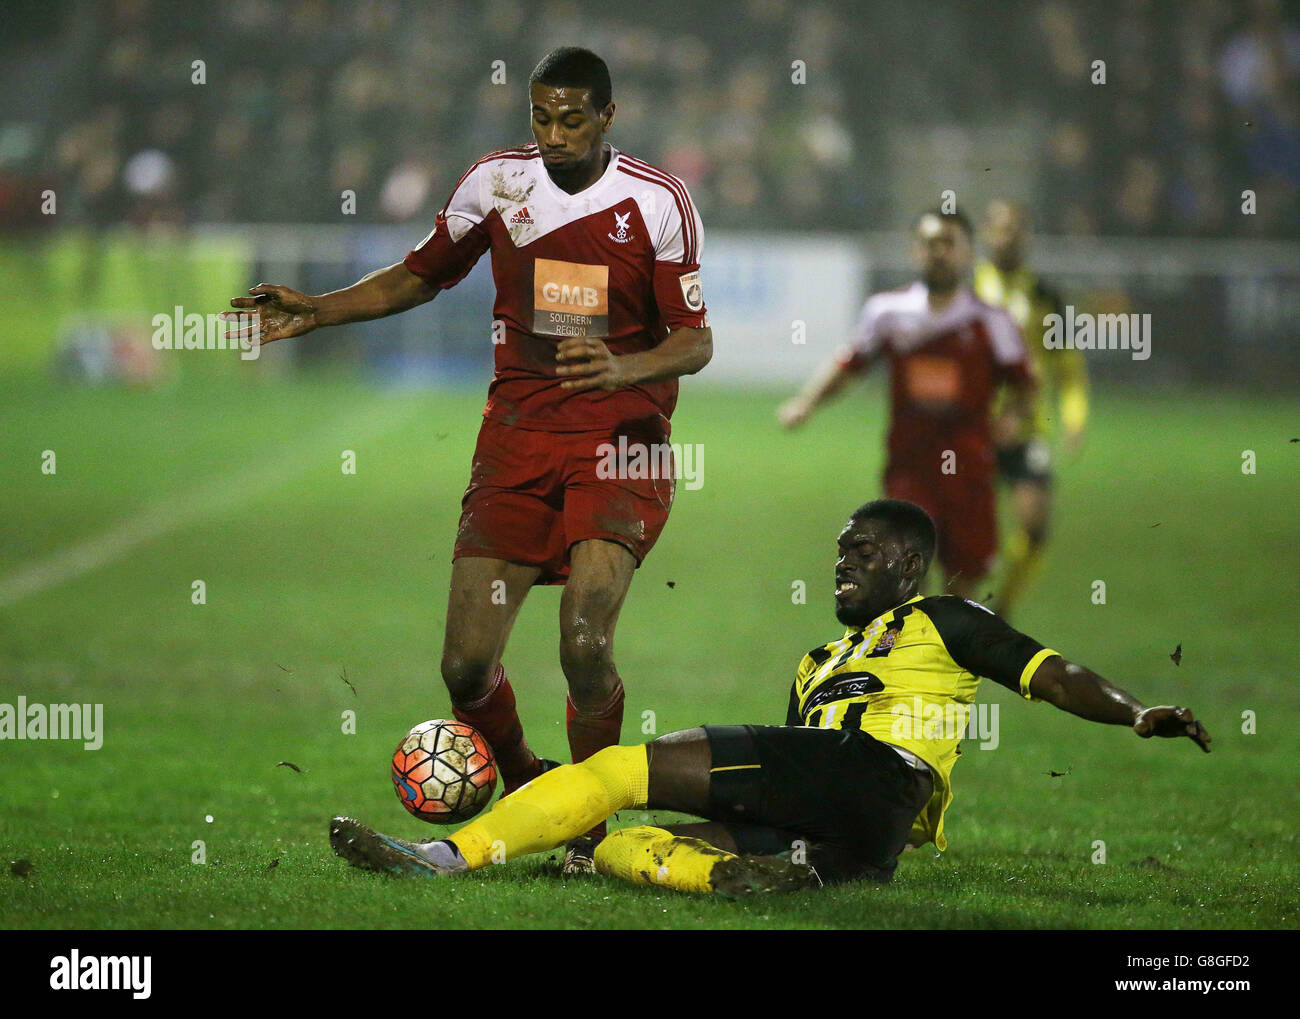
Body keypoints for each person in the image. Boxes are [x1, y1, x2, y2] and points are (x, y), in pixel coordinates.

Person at [222, 47, 712, 872]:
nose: (554, 134)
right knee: (464, 665)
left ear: (607, 118)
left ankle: (589, 832)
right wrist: (321, 311)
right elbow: (421, 276)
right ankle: (534, 787)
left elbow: (695, 341)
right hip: (517, 437)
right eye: (541, 118)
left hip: (621, 441)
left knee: (585, 639)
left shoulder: (657, 201)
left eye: (572, 119)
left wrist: (621, 367)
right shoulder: (495, 184)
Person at [330, 499, 1210, 896]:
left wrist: (1133, 710)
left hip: (876, 773)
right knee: (621, 850)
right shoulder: (818, 659)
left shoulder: (944, 617)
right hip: (860, 841)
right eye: (837, 549)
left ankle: (444, 857)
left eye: (860, 550)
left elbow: (1049, 672)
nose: (842, 561)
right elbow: (783, 772)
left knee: (615, 771)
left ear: (907, 564)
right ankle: (747, 877)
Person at [778, 209, 1035, 599]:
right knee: (904, 578)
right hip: (909, 468)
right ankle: (911, 657)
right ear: (916, 251)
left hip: (970, 471)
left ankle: (952, 656)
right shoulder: (888, 311)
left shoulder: (991, 320)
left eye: (950, 244)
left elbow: (1023, 386)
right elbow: (850, 365)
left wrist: (1012, 419)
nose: (940, 253)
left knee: (963, 588)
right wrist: (806, 402)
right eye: (931, 244)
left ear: (968, 254)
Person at [975, 198, 1089, 621]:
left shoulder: (1046, 297)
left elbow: (1069, 368)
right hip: (973, 432)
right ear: (985, 234)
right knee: (959, 534)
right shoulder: (967, 292)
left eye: (1016, 229)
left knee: (1035, 528)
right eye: (1000, 228)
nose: (1008, 237)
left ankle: (1001, 610)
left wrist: (1074, 419)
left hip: (1026, 429)